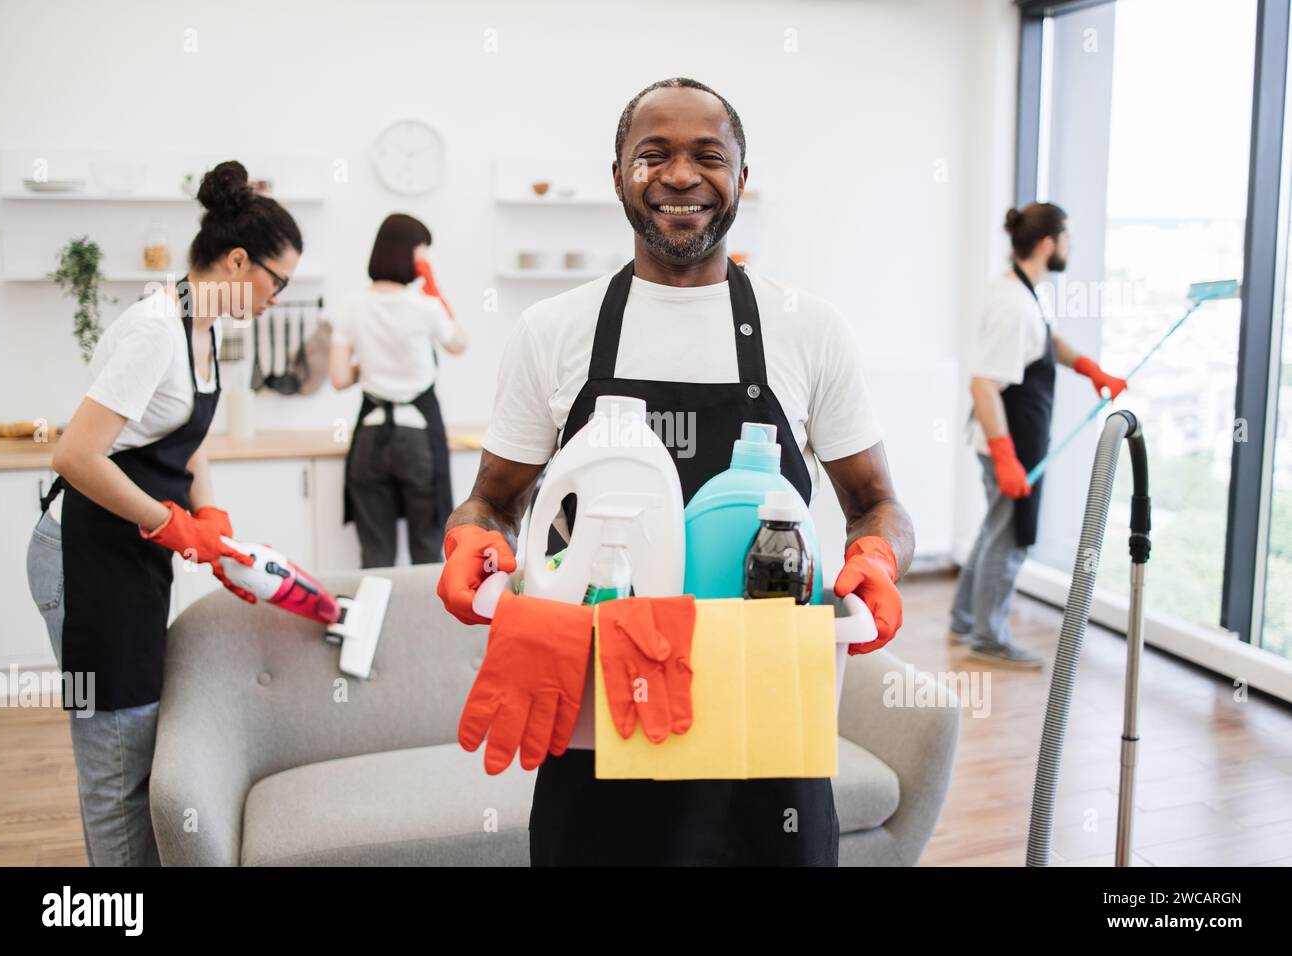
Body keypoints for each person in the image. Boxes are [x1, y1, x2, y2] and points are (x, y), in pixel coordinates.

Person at [436, 77, 914, 866]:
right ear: (618, 174)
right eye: (652, 154)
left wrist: (877, 559)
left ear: (741, 179)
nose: (681, 177)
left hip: (767, 716)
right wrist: (471, 541)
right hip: (598, 717)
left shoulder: (809, 329)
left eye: (708, 156)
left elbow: (877, 502)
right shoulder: (553, 330)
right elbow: (493, 501)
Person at [48, 160, 302, 865]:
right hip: (82, 550)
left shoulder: (204, 328)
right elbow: (74, 456)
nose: (277, 298)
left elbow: (186, 446)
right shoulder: (155, 330)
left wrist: (210, 518)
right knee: (114, 753)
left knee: (138, 734)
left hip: (128, 548)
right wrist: (169, 524)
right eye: (277, 282)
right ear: (238, 260)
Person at [950, 203, 1128, 668]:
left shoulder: (1025, 292)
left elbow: (1047, 341)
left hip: (1015, 440)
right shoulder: (1013, 306)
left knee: (995, 530)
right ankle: (989, 637)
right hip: (1009, 442)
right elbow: (984, 384)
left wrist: (1090, 369)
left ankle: (965, 619)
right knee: (1009, 540)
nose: (1069, 246)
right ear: (1049, 243)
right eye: (1067, 238)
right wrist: (1006, 457)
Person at [329, 213, 467, 567]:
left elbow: (340, 378)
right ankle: (426, 624)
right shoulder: (426, 307)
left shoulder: (349, 306)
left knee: (375, 555)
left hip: (370, 438)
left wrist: (373, 364)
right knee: (426, 550)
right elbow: (458, 344)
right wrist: (433, 287)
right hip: (418, 437)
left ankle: (376, 622)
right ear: (412, 256)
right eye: (424, 253)